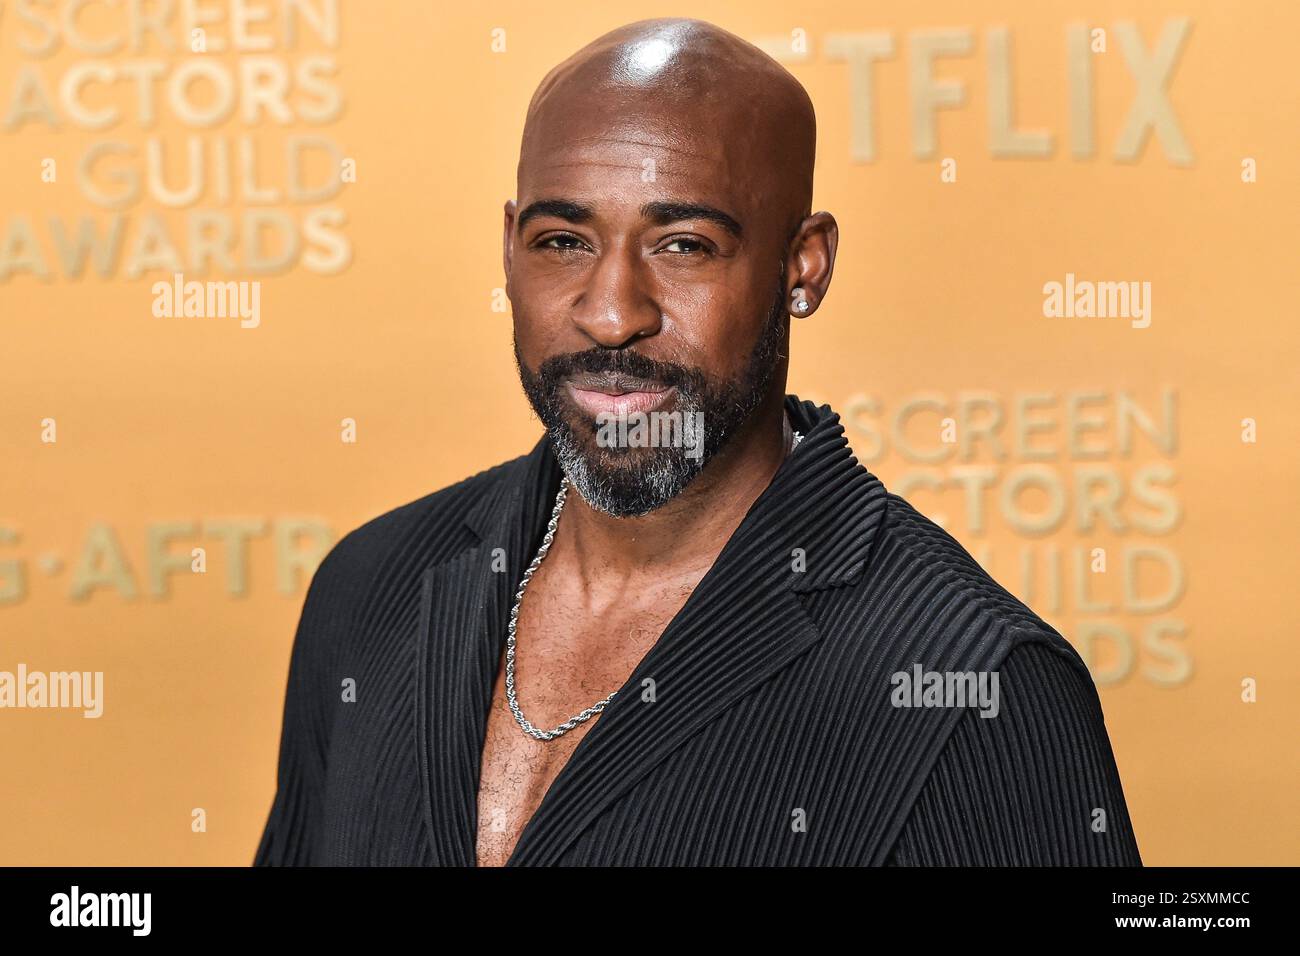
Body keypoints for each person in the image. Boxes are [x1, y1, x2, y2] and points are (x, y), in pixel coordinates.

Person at [254, 17, 1142, 867]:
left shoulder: (974, 687)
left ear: (804, 266)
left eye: (683, 246)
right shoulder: (373, 588)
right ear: (507, 250)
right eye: (563, 240)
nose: (611, 314)